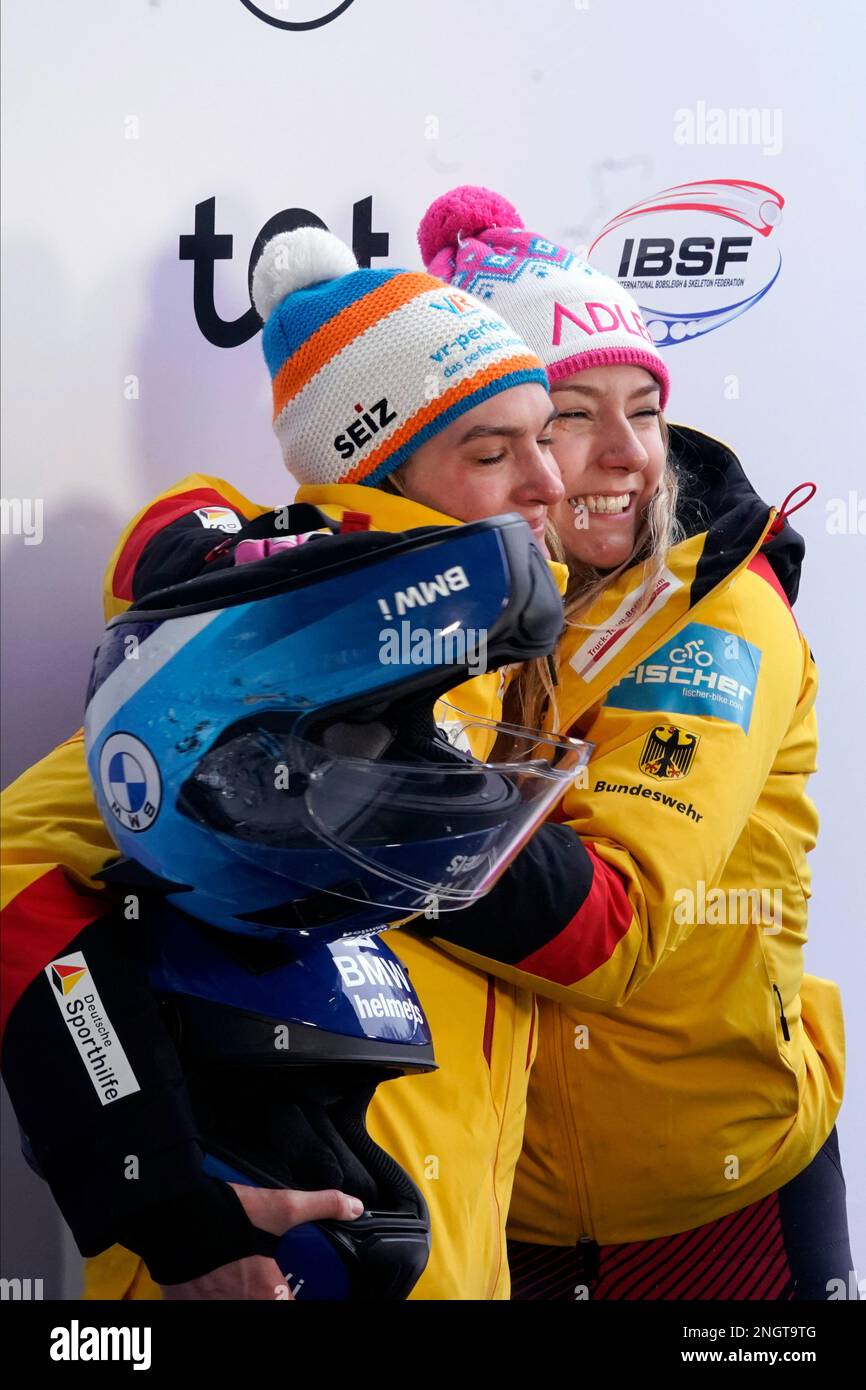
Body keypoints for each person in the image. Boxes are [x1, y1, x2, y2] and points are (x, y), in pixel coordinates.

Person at [0, 226, 570, 1301]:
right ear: (376, 469)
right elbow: (12, 880)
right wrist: (164, 1201)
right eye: (491, 453)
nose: (546, 481)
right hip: (255, 1267)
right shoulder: (264, 670)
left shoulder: (479, 654)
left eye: (548, 435)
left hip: (434, 1255)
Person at [414, 186, 851, 1299]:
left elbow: (609, 929)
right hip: (502, 1207)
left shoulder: (717, 610)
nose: (624, 455)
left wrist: (336, 805)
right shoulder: (461, 597)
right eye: (571, 411)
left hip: (714, 1205)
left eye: (643, 409)